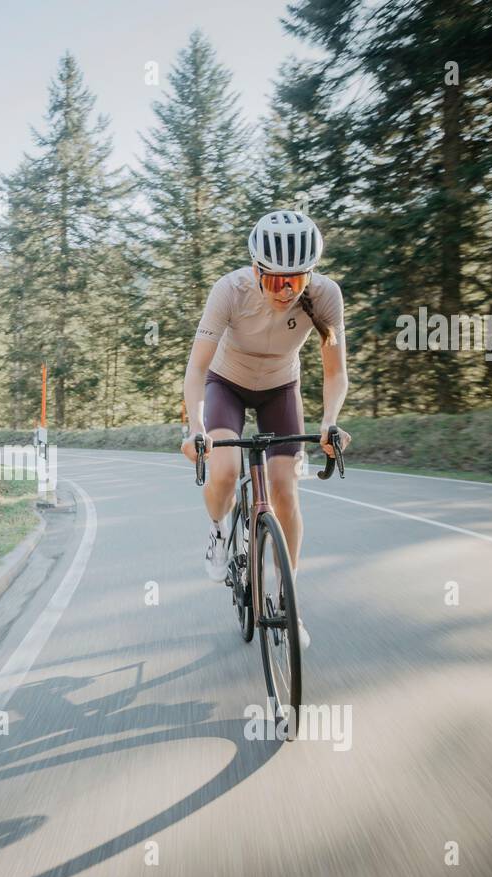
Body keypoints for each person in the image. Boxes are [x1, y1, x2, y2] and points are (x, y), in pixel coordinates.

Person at [180, 210, 351, 649]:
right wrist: (196, 428)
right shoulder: (230, 291)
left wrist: (329, 422)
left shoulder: (326, 295)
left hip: (281, 388)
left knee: (285, 490)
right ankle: (219, 530)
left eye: (296, 280)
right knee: (222, 468)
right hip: (226, 384)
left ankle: (286, 601)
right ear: (256, 270)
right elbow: (197, 368)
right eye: (275, 280)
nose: (286, 290)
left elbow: (335, 373)